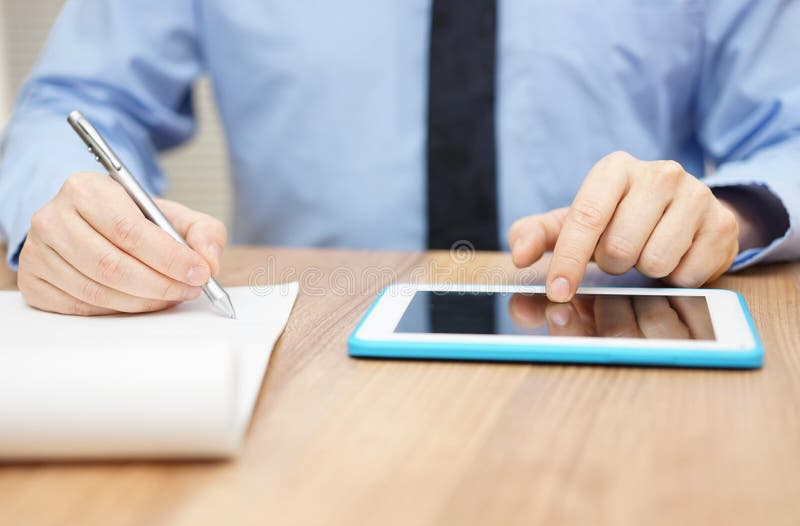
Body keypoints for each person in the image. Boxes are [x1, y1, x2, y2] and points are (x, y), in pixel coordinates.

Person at [0, 0, 798, 316]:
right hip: (301, 365)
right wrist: (61, 221)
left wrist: (734, 209)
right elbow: (76, 101)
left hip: (624, 343)